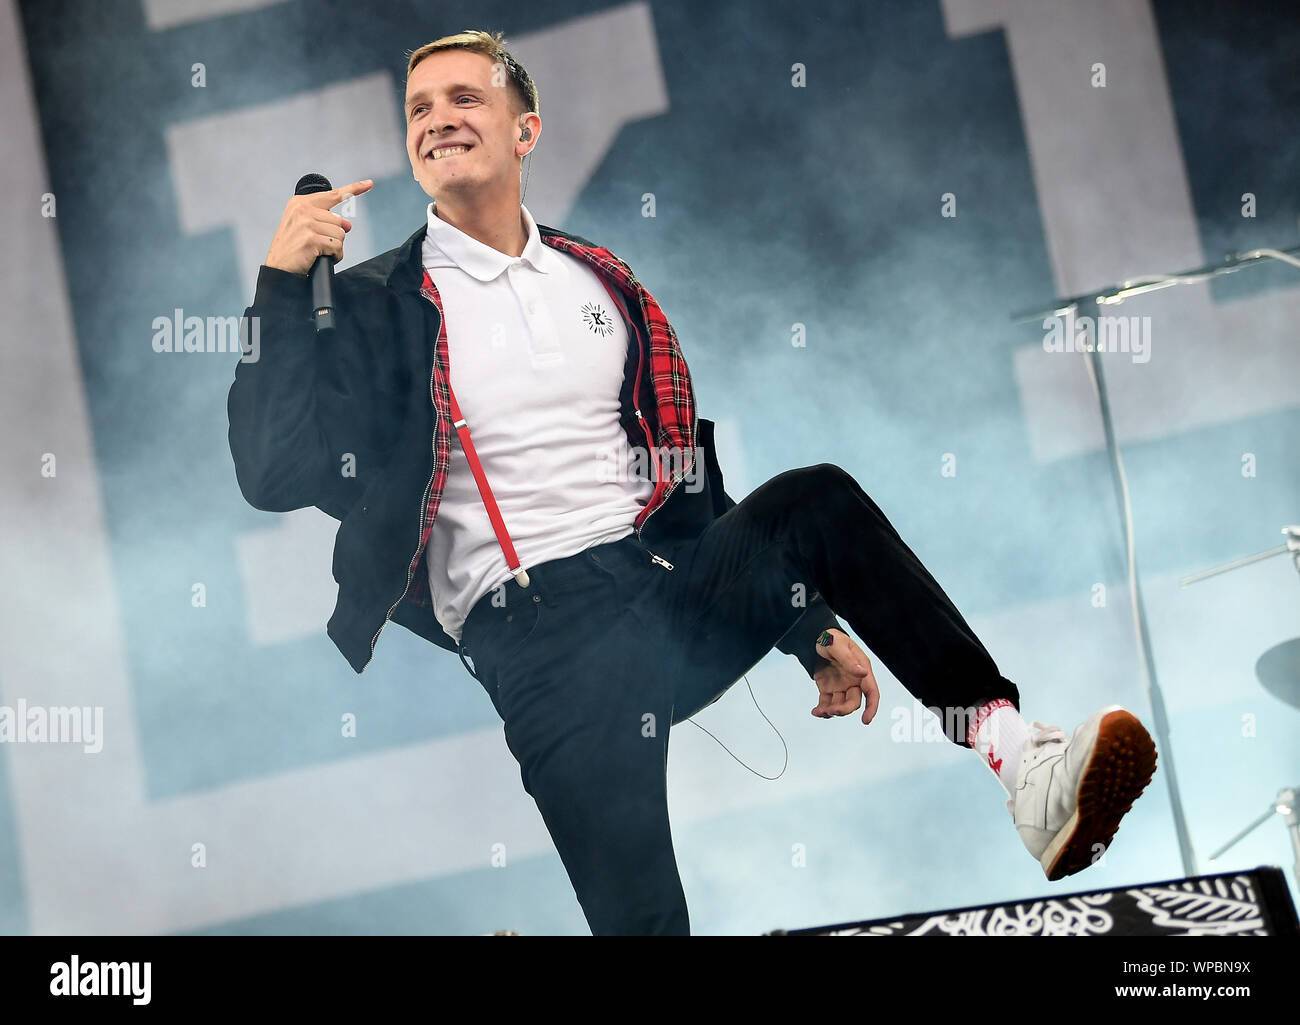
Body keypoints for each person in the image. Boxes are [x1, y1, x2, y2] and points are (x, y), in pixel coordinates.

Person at [227, 28, 1159, 936]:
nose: (438, 119)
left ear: (526, 128)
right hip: (540, 648)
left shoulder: (600, 280)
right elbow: (273, 472)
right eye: (419, 108)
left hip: (657, 602)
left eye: (466, 97)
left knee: (813, 498)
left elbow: (682, 479)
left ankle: (1017, 759)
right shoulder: (372, 303)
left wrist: (806, 625)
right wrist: (278, 283)